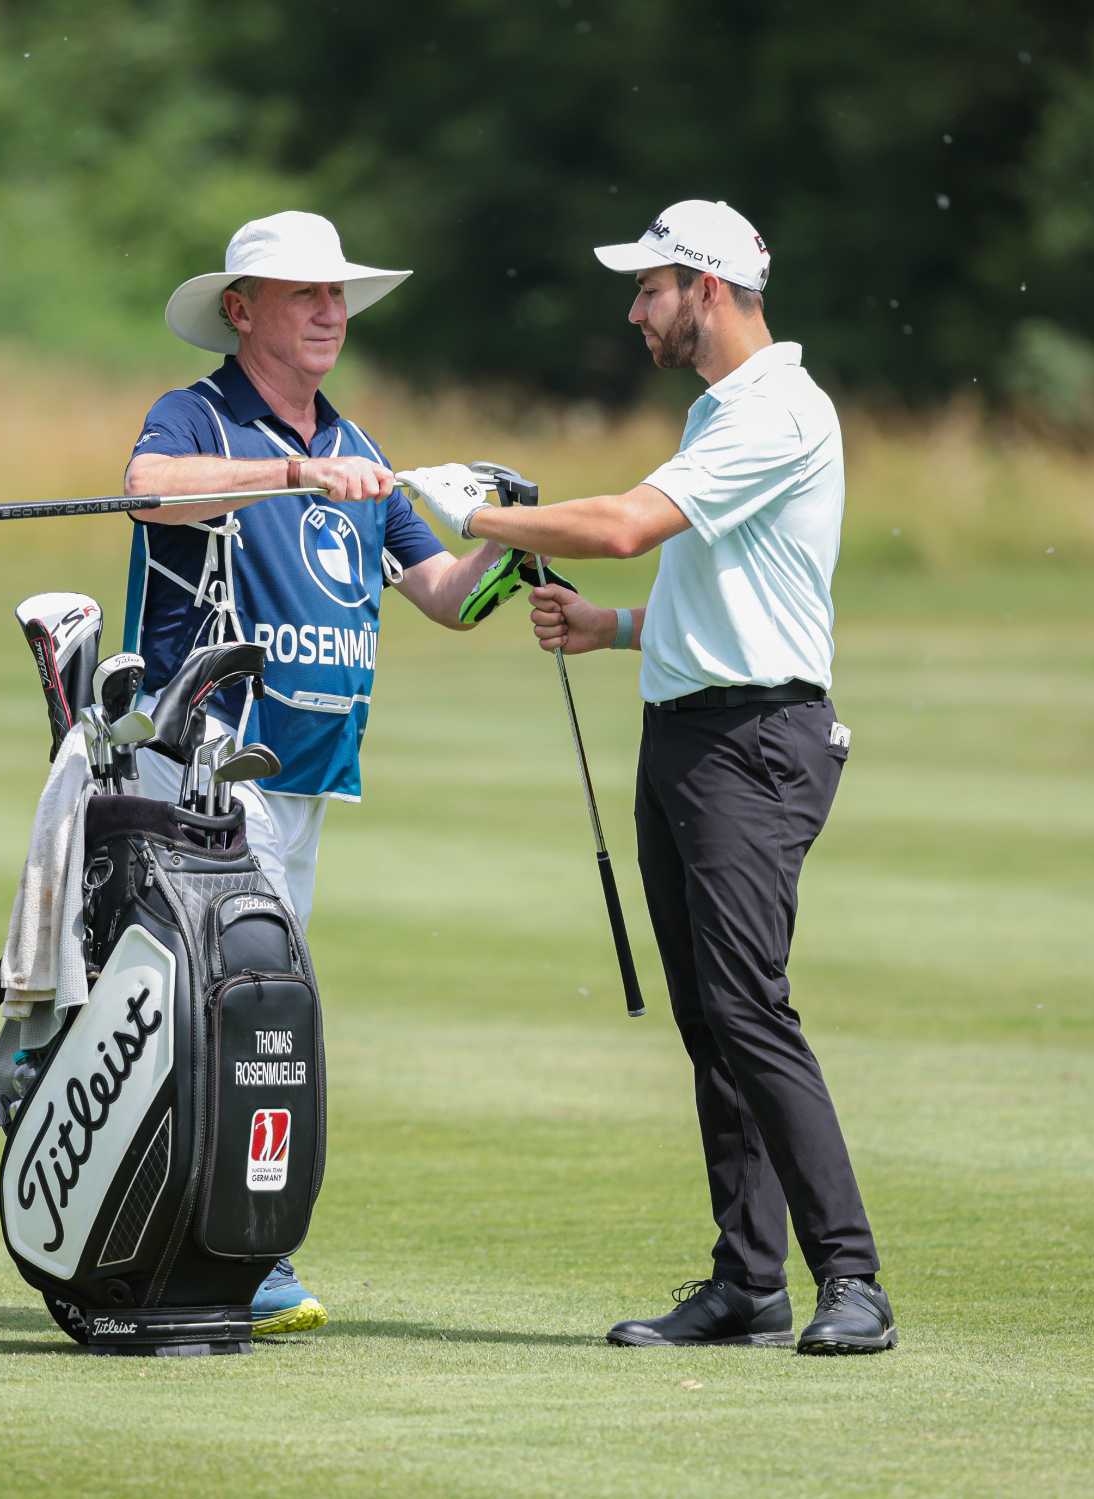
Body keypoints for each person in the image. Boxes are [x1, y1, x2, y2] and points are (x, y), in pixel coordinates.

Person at [395, 200, 896, 1355]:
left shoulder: (778, 411)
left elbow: (628, 524)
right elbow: (723, 589)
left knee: (748, 1009)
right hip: (688, 734)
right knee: (708, 1018)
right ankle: (748, 1281)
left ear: (707, 290)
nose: (635, 309)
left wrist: (475, 509)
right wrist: (615, 632)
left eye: (650, 288)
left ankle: (854, 1279)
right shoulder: (723, 411)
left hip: (755, 746)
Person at [121, 211, 509, 1336]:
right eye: (304, 294)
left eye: (337, 294)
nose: (330, 311)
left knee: (253, 1008)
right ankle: (243, 1253)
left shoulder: (360, 447)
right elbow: (151, 489)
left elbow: (443, 595)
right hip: (208, 758)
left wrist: (510, 533)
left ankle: (232, 1245)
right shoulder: (199, 415)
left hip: (306, 775)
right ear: (241, 310)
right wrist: (293, 471)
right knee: (230, 1012)